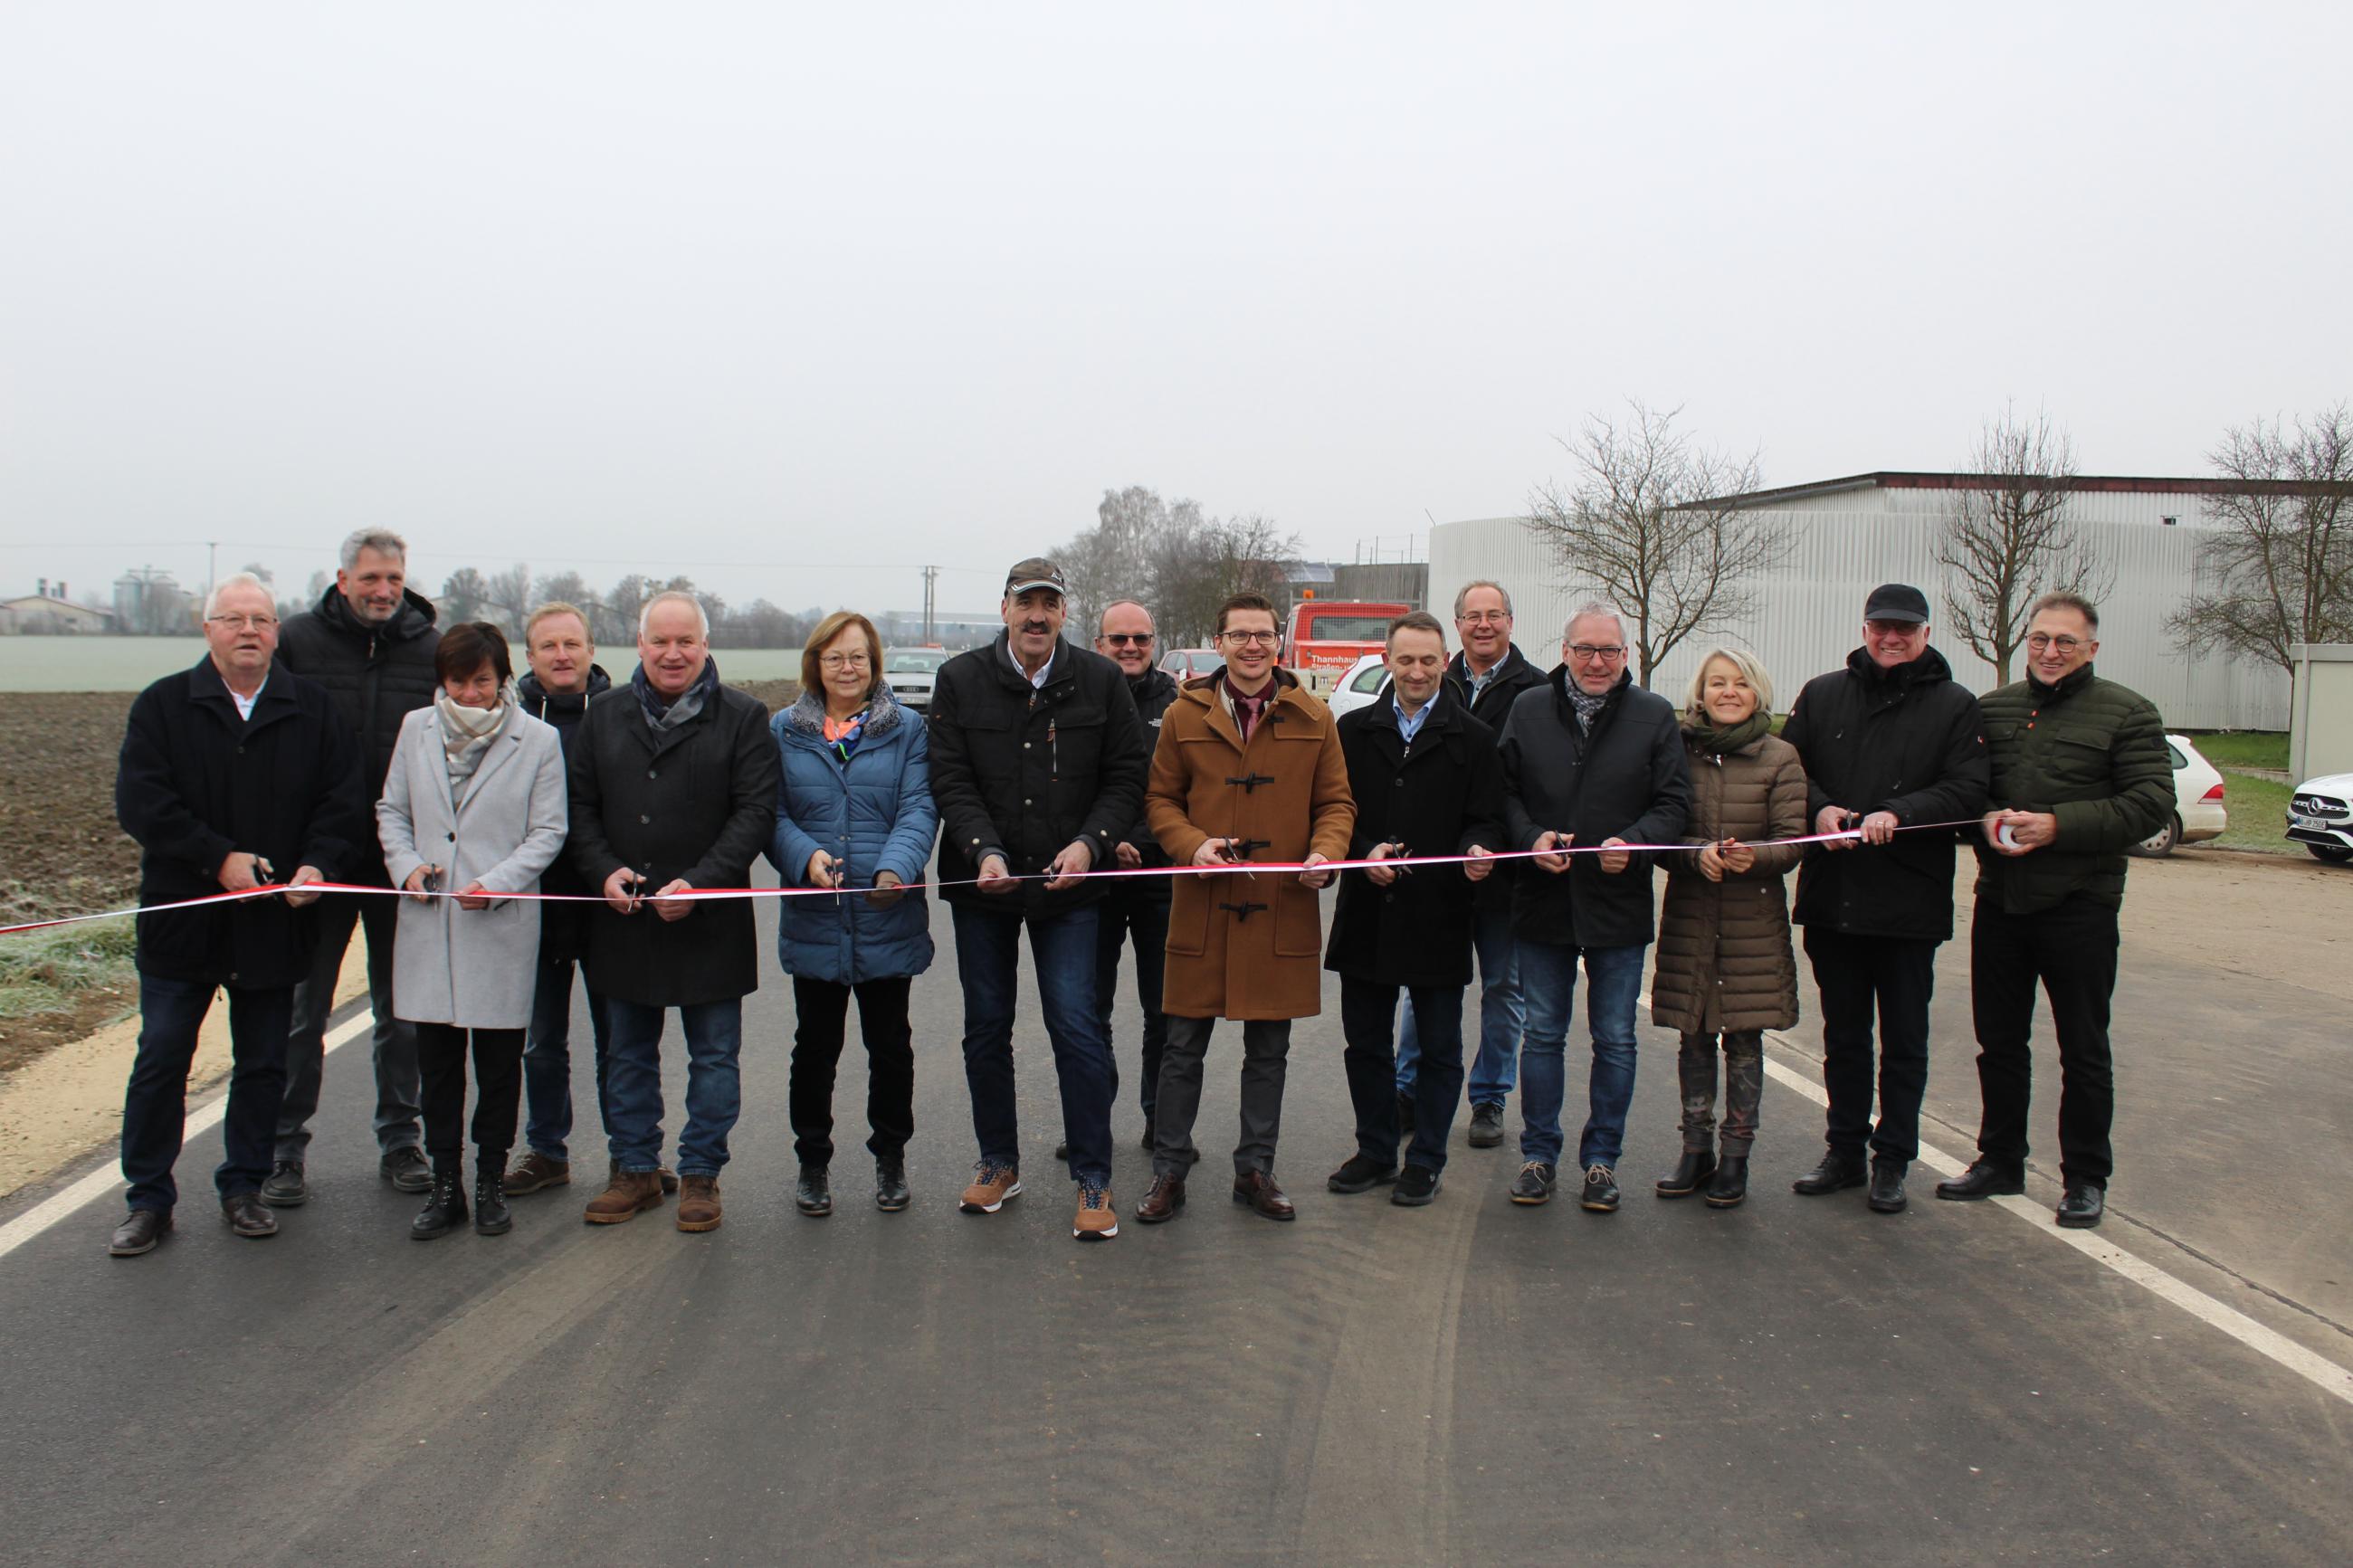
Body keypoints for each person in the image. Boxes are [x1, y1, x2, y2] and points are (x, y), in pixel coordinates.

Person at [108, 574, 364, 1256]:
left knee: (261, 1063)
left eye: (261, 619)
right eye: (233, 619)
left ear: (277, 632)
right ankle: (148, 1199)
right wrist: (216, 857)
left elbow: (342, 801)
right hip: (182, 920)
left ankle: (243, 1185)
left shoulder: (311, 708)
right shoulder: (163, 706)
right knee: (162, 1056)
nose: (248, 630)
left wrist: (318, 863)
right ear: (208, 630)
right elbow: (143, 803)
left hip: (273, 923)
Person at [927, 557, 1148, 1241]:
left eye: (1049, 604)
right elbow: (950, 778)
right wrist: (981, 849)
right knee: (986, 1028)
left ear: (1063, 613)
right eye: (1026, 603)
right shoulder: (960, 680)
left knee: (1077, 1027)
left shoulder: (1102, 679)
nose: (1037, 615)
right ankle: (999, 1162)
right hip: (984, 883)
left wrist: (1091, 844)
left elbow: (1126, 775)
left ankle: (1093, 1175)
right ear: (1004, 608)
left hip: (1070, 887)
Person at [1937, 593, 2173, 1229]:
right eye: (2040, 639)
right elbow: (1966, 790)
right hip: (2002, 904)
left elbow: (2150, 802)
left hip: (2081, 906)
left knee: (2084, 1049)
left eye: (2065, 641)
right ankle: (2000, 1158)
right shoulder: (1993, 710)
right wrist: (1982, 818)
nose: (2049, 651)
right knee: (1999, 1042)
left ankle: (2086, 1177)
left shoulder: (2127, 712)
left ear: (2091, 648)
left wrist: (2057, 825)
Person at [566, 591, 779, 1234]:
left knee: (714, 1057)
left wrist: (703, 881)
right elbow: (578, 809)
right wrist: (603, 869)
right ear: (639, 645)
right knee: (627, 1053)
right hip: (623, 918)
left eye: (685, 640)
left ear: (705, 646)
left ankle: (700, 1172)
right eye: (660, 640)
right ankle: (633, 1169)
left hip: (709, 919)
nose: (673, 652)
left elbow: (755, 813)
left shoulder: (744, 718)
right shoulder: (601, 716)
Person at [1138, 591, 1354, 1225]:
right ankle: (1169, 1170)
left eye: (1263, 634)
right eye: (1240, 635)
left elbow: (1338, 804)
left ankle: (1255, 1169)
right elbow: (1160, 801)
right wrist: (1192, 843)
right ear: (1220, 641)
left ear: (1278, 643)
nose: (1253, 645)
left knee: (1269, 1051)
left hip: (1281, 907)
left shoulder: (1315, 716)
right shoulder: (1184, 716)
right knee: (1181, 1048)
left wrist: (1325, 853)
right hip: (1202, 908)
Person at [1781, 584, 1989, 1214]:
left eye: (1904, 628)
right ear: (1864, 627)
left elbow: (1969, 789)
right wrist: (1819, 809)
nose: (1891, 638)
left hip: (1908, 904)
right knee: (1843, 1036)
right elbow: (1789, 768)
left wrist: (1899, 811)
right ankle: (1843, 1148)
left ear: (1925, 633)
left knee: (1903, 1039)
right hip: (1835, 896)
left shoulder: (1956, 706)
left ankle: (1893, 1156)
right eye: (1880, 626)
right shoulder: (1822, 695)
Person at [1497, 603, 1691, 1214]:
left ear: (1627, 655)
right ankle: (1538, 1155)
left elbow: (1675, 803)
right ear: (1565, 650)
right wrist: (1529, 839)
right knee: (1544, 1034)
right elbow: (1502, 792)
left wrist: (1633, 842)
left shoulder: (1654, 715)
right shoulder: (1528, 709)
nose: (1597, 662)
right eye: (1586, 649)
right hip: (1544, 900)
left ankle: (1603, 1160)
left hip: (1617, 904)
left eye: (1609, 651)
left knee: (1615, 1039)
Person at [267, 527, 442, 1204]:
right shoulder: (297, 643)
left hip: (401, 864)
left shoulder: (429, 649)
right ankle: (284, 1148)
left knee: (401, 1012)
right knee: (302, 1010)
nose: (383, 591)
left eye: (393, 579)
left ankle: (401, 1139)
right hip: (320, 860)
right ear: (342, 580)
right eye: (370, 579)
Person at [377, 622, 568, 1240]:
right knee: (436, 1066)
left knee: (497, 1065)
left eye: (481, 681)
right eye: (457, 681)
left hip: (498, 923)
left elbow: (548, 830)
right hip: (430, 923)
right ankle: (444, 1185)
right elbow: (392, 810)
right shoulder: (415, 730)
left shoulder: (537, 740)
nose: (468, 694)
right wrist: (406, 868)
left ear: (502, 679)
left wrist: (498, 882)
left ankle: (488, 1182)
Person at [1324, 612, 1503, 1207]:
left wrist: (1476, 847)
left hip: (1438, 912)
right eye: (1406, 660)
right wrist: (1357, 850)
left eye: (1429, 660)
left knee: (1438, 1046)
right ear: (1387, 660)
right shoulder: (1350, 732)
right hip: (1368, 910)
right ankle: (1376, 1149)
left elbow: (1486, 815)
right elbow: (1330, 811)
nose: (1417, 671)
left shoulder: (1474, 738)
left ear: (1445, 661)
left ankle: (1425, 1157)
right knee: (1366, 1043)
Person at [767, 611, 938, 1217]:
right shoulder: (784, 730)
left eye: (858, 657)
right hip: (815, 918)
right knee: (814, 1048)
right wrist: (804, 856)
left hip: (886, 915)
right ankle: (812, 1162)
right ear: (815, 663)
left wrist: (897, 868)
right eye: (835, 656)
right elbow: (773, 815)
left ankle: (890, 1156)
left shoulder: (909, 730)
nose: (847, 667)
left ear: (874, 665)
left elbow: (919, 808)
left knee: (890, 1047)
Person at [1647, 648, 1807, 1210]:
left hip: (1750, 921)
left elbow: (1793, 838)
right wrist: (1695, 855)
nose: (1728, 692)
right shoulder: (1679, 751)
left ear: (1757, 691)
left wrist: (1754, 857)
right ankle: (1695, 1150)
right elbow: (1663, 831)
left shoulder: (1781, 757)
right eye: (1718, 683)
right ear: (1702, 692)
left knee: (1743, 1037)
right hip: (1693, 913)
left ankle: (1736, 1156)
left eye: (1740, 683)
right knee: (1694, 1034)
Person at [1396, 579, 1549, 1151]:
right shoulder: (1436, 680)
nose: (1484, 625)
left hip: (1505, 871)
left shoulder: (1538, 689)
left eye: (1495, 615)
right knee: (1424, 983)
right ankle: (1407, 1089)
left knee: (1504, 987)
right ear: (1456, 624)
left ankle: (1489, 1097)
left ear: (1511, 621)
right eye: (1472, 616)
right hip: (1437, 873)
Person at [506, 602, 629, 1198]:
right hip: (533, 907)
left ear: (590, 650)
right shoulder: (509, 720)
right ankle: (547, 1150)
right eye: (548, 646)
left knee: (619, 1042)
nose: (561, 655)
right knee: (542, 1042)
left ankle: (626, 1155)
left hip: (606, 905)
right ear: (528, 656)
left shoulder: (622, 715)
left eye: (571, 644)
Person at [1081, 597, 1179, 1155]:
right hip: (1092, 877)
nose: (1130, 648)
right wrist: (1102, 841)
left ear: (1154, 642)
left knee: (1162, 1012)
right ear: (1099, 644)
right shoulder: (1077, 698)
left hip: (1160, 879)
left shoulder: (1181, 705)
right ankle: (1092, 1121)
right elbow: (1065, 786)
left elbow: (1183, 789)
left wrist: (1137, 841)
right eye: (1118, 639)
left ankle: (1160, 1122)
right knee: (1087, 1011)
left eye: (1140, 638)